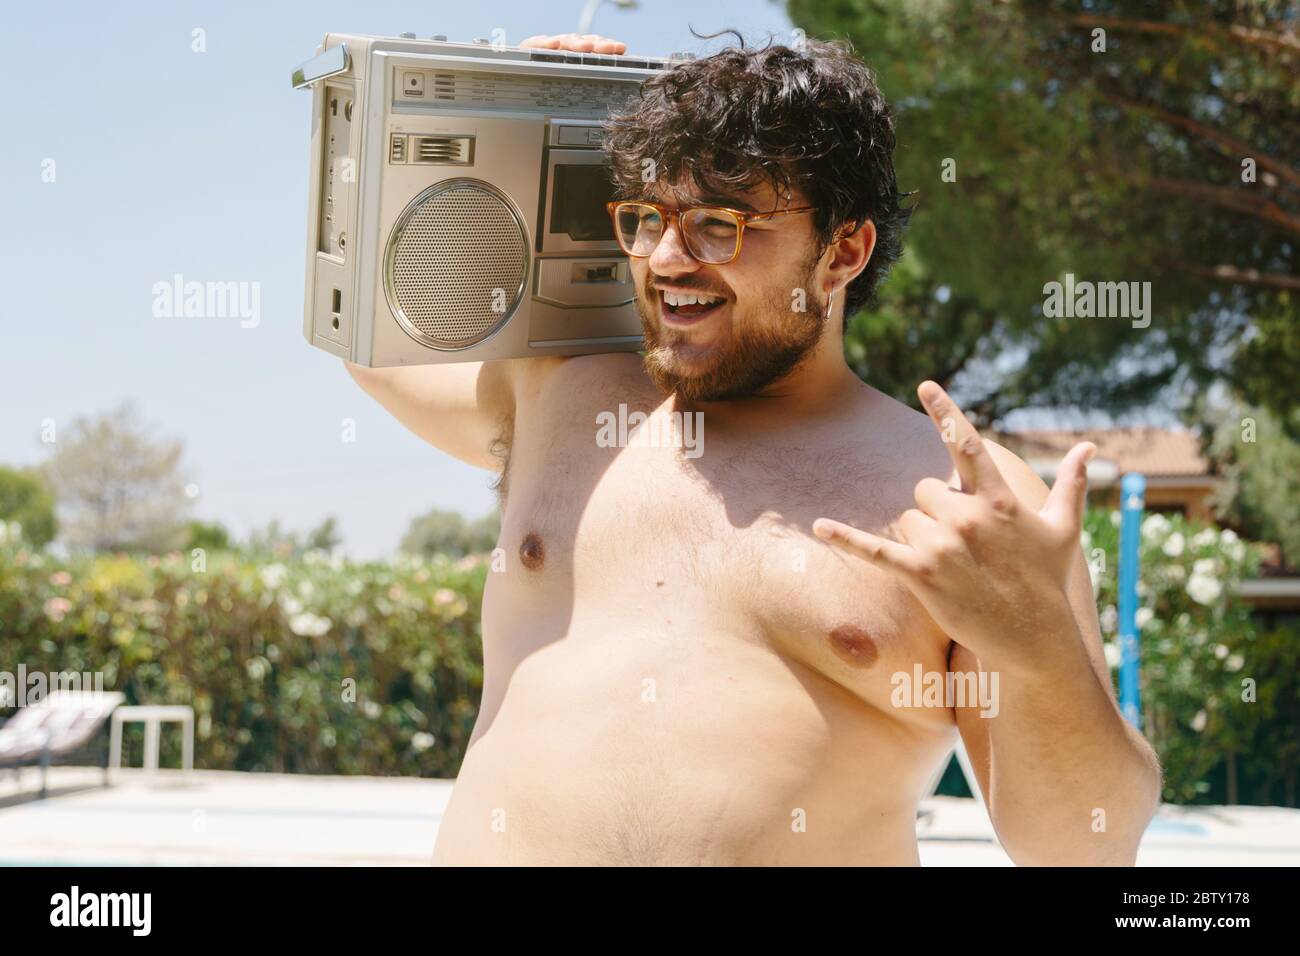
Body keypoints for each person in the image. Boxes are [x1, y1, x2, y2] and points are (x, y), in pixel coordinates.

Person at [347, 30, 1161, 865]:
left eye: (718, 225)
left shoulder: (962, 497)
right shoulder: (562, 394)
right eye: (648, 219)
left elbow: (1085, 847)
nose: (667, 260)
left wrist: (1037, 641)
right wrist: (513, 114)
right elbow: (371, 336)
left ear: (843, 251)